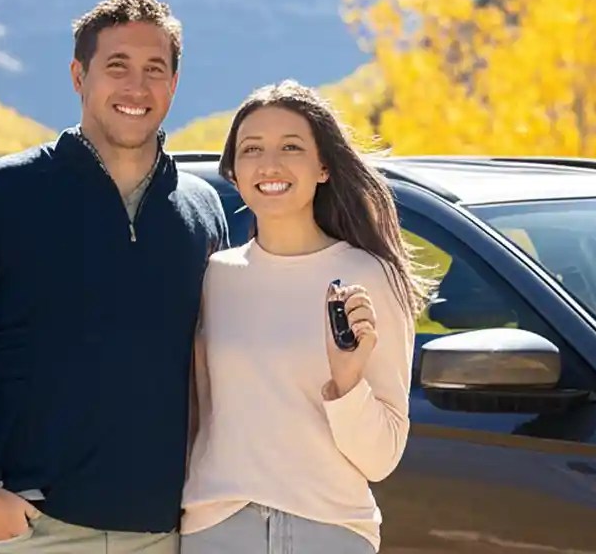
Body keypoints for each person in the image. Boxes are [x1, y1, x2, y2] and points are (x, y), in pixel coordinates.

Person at [0, 0, 230, 553]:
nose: (136, 87)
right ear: (79, 76)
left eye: (154, 69)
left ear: (174, 83)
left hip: (164, 533)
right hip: (33, 531)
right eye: (116, 66)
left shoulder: (203, 211)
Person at [180, 80, 429, 554]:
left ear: (323, 167)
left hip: (331, 531)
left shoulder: (371, 276)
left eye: (290, 147)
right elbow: (195, 418)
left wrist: (348, 383)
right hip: (218, 530)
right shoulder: (214, 279)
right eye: (252, 149)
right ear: (233, 171)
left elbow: (381, 459)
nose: (270, 164)